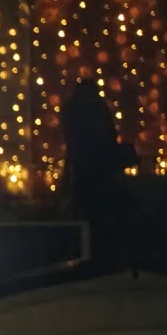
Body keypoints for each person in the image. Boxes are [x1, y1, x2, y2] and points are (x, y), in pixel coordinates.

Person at [60, 79, 138, 265]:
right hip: (96, 179)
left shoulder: (76, 113)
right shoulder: (95, 113)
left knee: (92, 223)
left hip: (89, 177)